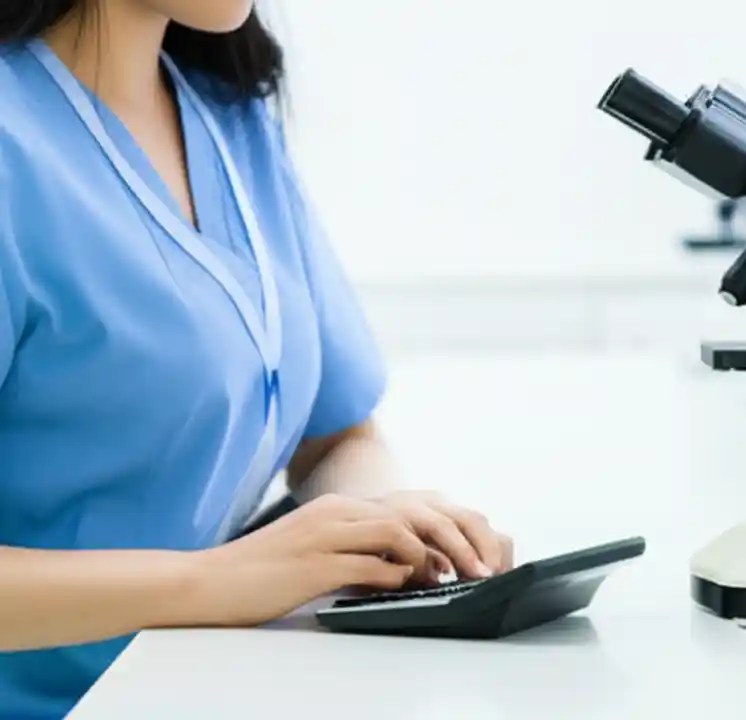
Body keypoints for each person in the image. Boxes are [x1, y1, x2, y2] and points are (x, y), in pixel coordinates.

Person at [0, 1, 514, 716]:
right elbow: (231, 579)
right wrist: (219, 581)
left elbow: (336, 435)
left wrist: (383, 519)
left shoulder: (229, 117)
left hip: (199, 689)